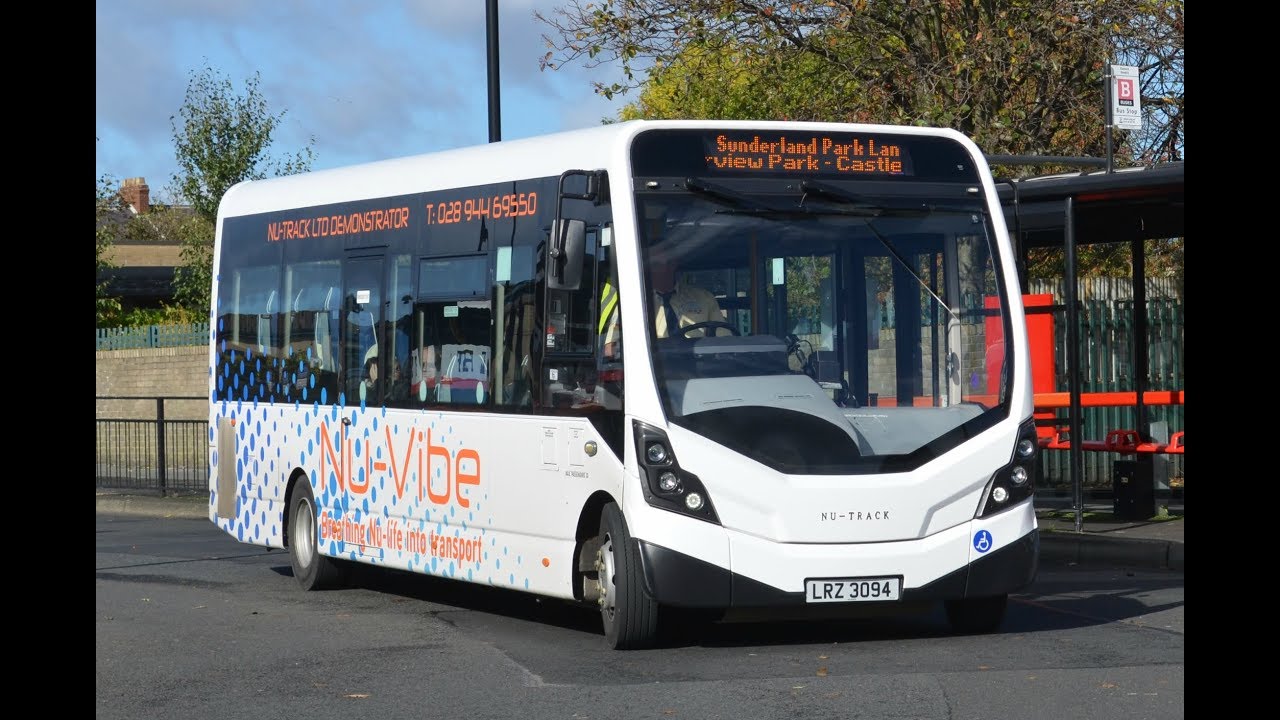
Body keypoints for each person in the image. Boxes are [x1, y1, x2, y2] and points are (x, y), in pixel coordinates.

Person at [650, 257, 725, 338]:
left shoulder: (704, 297)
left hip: (697, 349)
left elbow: (723, 338)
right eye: (652, 266)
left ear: (673, 265)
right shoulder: (638, 302)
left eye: (655, 265)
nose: (649, 271)